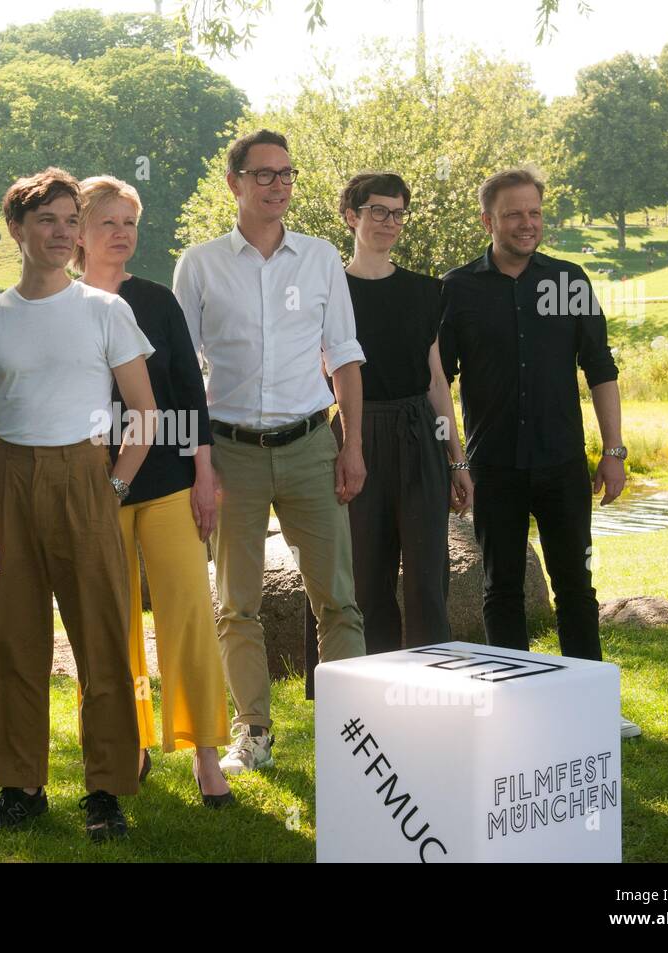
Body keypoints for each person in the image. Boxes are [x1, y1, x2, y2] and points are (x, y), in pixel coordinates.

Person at [0, 167, 157, 841]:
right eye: (48, 220)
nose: (63, 232)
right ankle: (19, 788)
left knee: (102, 637)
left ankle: (105, 790)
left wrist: (114, 485)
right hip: (7, 479)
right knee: (11, 640)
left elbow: (145, 413)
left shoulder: (105, 311)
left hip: (85, 477)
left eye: (72, 221)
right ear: (17, 229)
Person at [173, 129, 367, 776]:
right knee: (235, 601)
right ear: (234, 183)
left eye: (286, 174)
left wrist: (352, 445)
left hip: (313, 442)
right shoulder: (198, 266)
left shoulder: (320, 261)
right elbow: (179, 371)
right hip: (232, 454)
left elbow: (343, 354)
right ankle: (252, 731)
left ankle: (350, 733)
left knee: (338, 596)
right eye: (264, 175)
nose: (279, 185)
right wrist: (195, 464)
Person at [439, 166, 640, 739]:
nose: (527, 224)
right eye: (514, 214)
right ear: (488, 220)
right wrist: (452, 460)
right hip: (493, 466)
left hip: (561, 463)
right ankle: (517, 709)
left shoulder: (570, 281)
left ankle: (589, 706)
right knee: (500, 588)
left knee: (575, 583)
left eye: (534, 213)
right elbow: (439, 382)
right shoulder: (456, 290)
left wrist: (615, 450)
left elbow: (600, 370)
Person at [75, 174, 234, 808]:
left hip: (170, 483)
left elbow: (189, 397)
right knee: (110, 626)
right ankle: (128, 743)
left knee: (189, 615)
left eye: (130, 223)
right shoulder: (62, 304)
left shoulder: (158, 301)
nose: (122, 235)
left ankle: (206, 753)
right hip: (96, 489)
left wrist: (204, 475)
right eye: (108, 223)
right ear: (80, 233)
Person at [303, 173, 471, 676]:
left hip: (420, 432)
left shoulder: (426, 291)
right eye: (378, 211)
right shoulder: (325, 291)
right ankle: (365, 685)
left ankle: (428, 683)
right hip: (353, 433)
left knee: (426, 574)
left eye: (397, 213)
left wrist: (457, 458)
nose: (389, 222)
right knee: (360, 576)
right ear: (351, 216)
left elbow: (436, 380)